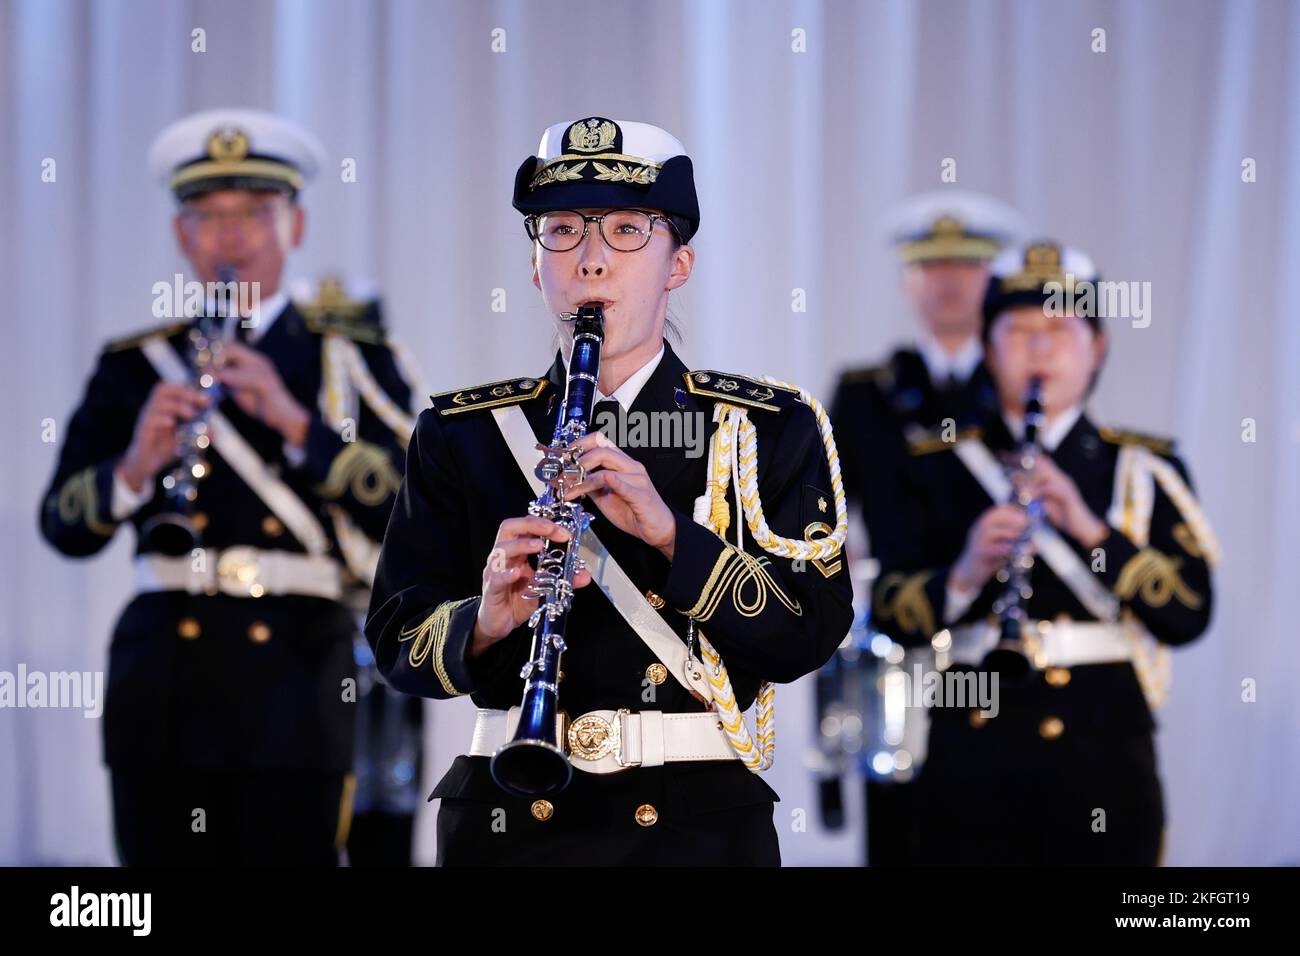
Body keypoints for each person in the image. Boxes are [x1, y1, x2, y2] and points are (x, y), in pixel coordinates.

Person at [366, 116, 854, 866]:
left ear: (678, 263)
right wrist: (488, 619)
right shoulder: (461, 432)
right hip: (507, 821)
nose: (591, 261)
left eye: (627, 230)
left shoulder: (765, 427)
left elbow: (809, 634)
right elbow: (397, 642)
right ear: (535, 264)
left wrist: (671, 537)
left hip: (693, 827)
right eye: (561, 230)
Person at [38, 108, 423, 865]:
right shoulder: (137, 366)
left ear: (296, 225)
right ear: (183, 237)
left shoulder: (351, 359)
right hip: (164, 674)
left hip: (299, 669)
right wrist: (136, 465)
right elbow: (63, 526)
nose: (232, 237)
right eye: (208, 217)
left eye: (255, 213)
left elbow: (414, 510)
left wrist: (295, 422)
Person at [870, 241, 1219, 865]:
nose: (1040, 349)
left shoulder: (1144, 469)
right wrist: (967, 571)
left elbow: (1188, 613)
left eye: (1060, 329)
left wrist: (1090, 531)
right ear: (987, 345)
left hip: (1102, 756)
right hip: (969, 760)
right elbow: (888, 610)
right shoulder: (933, 466)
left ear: (1098, 347)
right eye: (1019, 331)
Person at [820, 192, 1022, 864]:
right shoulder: (864, 393)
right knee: (903, 834)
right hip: (900, 646)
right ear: (909, 282)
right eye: (931, 266)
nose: (949, 281)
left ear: (992, 279)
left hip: (999, 647)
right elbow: (827, 514)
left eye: (966, 265)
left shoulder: (1024, 392)